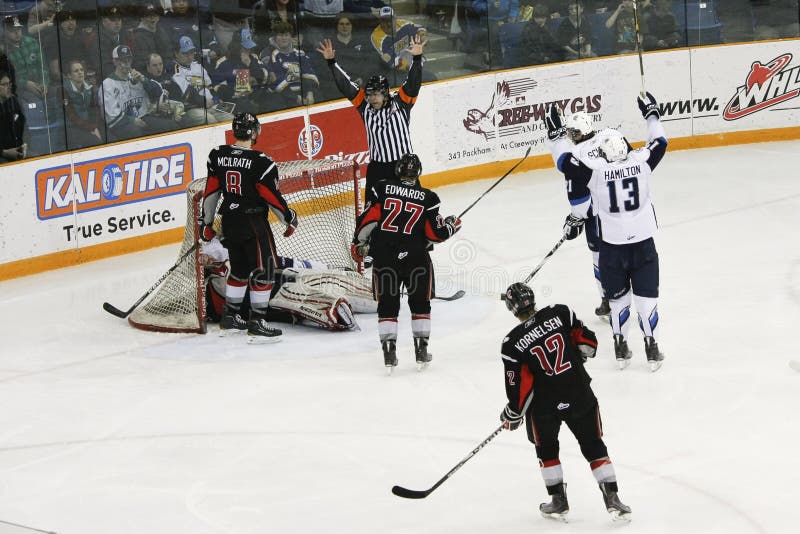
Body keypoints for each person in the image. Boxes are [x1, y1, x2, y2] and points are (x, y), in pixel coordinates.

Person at [545, 92, 667, 371]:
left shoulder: (596, 174)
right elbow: (661, 142)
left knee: (618, 301)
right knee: (647, 301)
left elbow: (564, 162)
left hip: (611, 247)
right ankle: (652, 347)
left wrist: (555, 138)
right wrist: (651, 114)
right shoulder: (641, 163)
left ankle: (620, 346)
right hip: (643, 246)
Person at [498, 282, 632, 522]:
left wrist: (513, 413)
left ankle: (559, 501)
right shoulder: (560, 312)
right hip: (578, 393)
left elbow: (520, 387)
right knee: (593, 444)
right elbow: (588, 344)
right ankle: (612, 498)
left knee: (546, 448)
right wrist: (577, 354)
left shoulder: (511, 343)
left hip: (544, 405)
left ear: (512, 309)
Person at [351, 153, 462, 372]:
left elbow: (368, 220)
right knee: (420, 305)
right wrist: (452, 225)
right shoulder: (428, 198)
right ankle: (421, 350)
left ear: (398, 171)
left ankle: (389, 354)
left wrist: (358, 244)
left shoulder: (381, 188)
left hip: (384, 258)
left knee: (387, 307)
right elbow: (435, 235)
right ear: (418, 173)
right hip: (416, 258)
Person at [199, 112, 299, 342]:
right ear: (254, 133)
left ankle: (230, 318)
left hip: (229, 222)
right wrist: (289, 219)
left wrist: (206, 223)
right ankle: (258, 322)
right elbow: (271, 197)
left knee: (240, 270)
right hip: (253, 222)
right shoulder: (262, 161)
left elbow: (211, 191)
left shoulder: (217, 155)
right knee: (265, 271)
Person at [317, 33, 426, 201]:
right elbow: (346, 86)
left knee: (415, 204)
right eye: (370, 95)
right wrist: (331, 62)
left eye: (376, 95)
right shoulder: (364, 106)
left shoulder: (401, 102)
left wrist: (417, 59)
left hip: (404, 166)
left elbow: (413, 82)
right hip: (377, 168)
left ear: (385, 94)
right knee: (372, 209)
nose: (372, 98)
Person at [63, 59, 104, 149]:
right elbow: (71, 116)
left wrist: (95, 126)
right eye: (76, 71)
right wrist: (91, 128)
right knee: (96, 142)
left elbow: (94, 109)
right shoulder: (63, 91)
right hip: (72, 129)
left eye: (81, 70)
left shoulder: (89, 87)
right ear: (69, 75)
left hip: (90, 125)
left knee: (109, 137)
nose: (80, 73)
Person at [0, 70, 27, 163]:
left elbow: (24, 126)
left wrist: (25, 144)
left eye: (9, 84)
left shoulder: (14, 102)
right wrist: (3, 153)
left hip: (17, 151)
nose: (8, 87)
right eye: (4, 84)